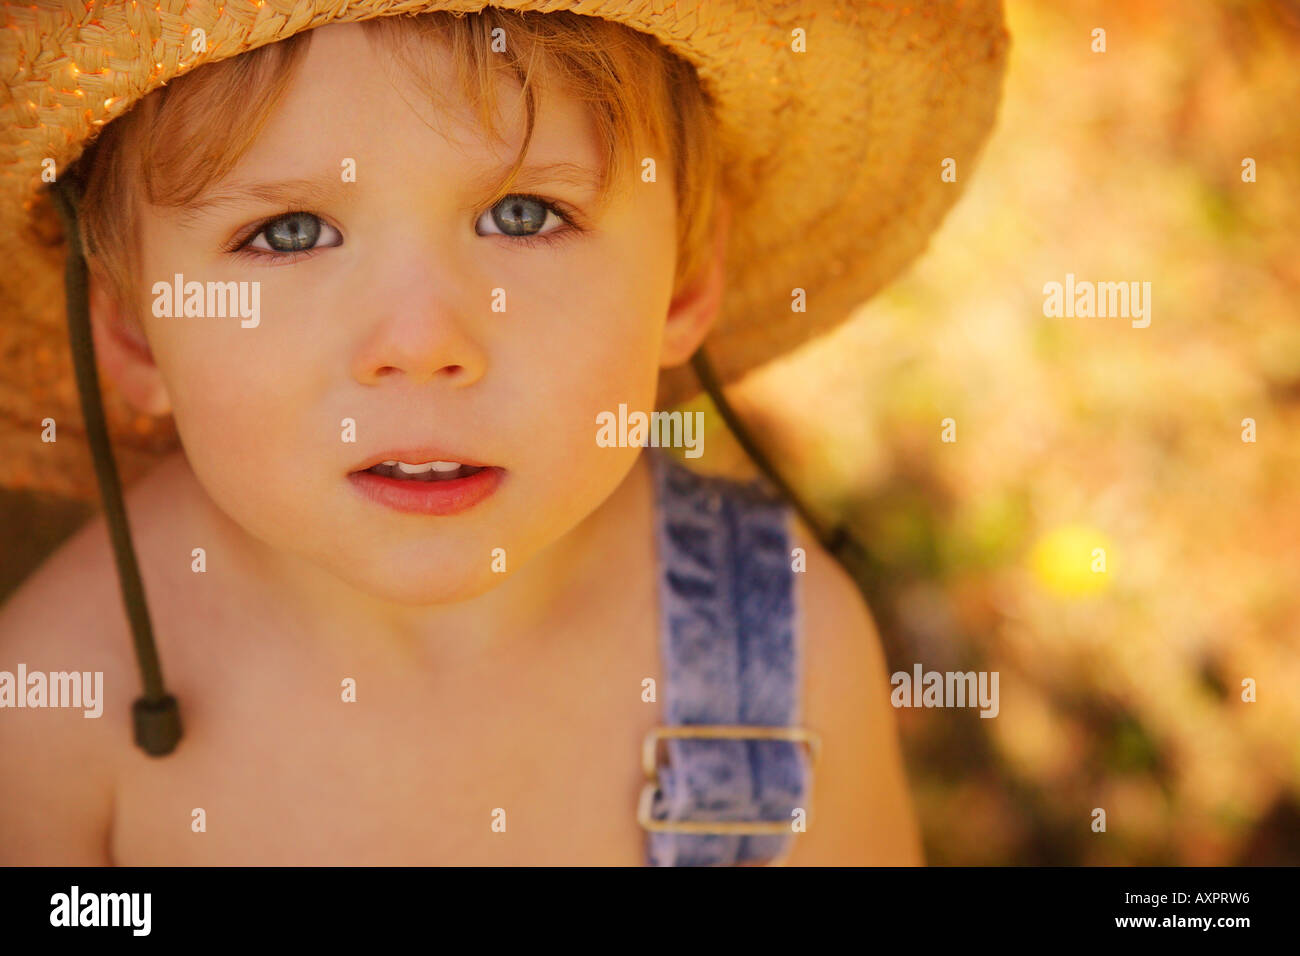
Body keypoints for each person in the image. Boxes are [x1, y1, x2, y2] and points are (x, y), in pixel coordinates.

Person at [0, 2, 1007, 865]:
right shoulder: (56, 705)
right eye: (289, 232)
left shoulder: (785, 658)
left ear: (685, 278)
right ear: (134, 324)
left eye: (525, 213)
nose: (421, 341)